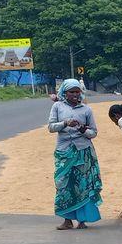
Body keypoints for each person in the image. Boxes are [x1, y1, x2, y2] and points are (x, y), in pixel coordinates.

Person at [47, 79, 102, 230]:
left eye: (77, 92)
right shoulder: (57, 106)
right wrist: (65, 123)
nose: (75, 95)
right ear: (64, 93)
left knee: (82, 185)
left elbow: (94, 133)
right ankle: (67, 220)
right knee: (63, 184)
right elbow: (51, 127)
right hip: (64, 151)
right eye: (71, 92)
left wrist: (83, 130)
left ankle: (82, 220)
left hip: (83, 151)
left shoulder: (86, 110)